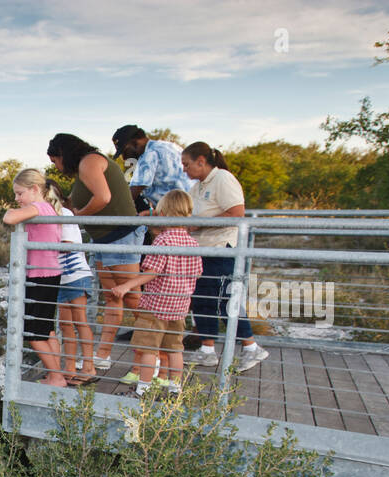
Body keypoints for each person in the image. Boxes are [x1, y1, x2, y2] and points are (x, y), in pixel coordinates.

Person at [46, 132, 141, 373]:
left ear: (63, 154)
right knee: (113, 298)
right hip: (106, 240)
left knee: (132, 298)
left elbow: (103, 197)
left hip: (120, 237)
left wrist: (78, 216)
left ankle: (156, 356)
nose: (57, 167)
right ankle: (102, 355)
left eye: (55, 161)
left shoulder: (89, 161)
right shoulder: (83, 169)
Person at [181, 141, 269, 373]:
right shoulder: (197, 186)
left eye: (187, 164)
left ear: (201, 161)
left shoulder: (223, 179)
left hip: (221, 248)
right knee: (202, 300)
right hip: (202, 250)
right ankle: (207, 350)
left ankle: (251, 347)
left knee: (225, 301)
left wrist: (199, 225)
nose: (184, 169)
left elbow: (236, 213)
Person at [104, 189, 201, 396]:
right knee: (175, 349)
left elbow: (151, 272)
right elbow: (198, 272)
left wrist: (127, 286)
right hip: (179, 307)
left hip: (155, 307)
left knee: (148, 349)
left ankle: (143, 390)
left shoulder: (163, 241)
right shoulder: (193, 243)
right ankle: (175, 389)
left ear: (165, 213)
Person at [2, 168, 66, 387]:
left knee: (33, 333)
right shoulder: (48, 208)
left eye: (20, 193)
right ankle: (55, 374)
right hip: (51, 274)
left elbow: (9, 218)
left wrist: (14, 209)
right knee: (47, 330)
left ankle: (57, 378)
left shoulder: (38, 207)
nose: (17, 198)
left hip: (40, 276)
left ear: (35, 189)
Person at [46, 180, 98, 384]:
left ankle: (89, 367)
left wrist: (41, 246)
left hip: (75, 274)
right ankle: (69, 367)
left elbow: (68, 244)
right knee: (65, 324)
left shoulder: (65, 214)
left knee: (80, 321)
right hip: (60, 277)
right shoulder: (47, 217)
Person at [111, 125, 196, 211]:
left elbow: (130, 195)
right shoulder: (169, 146)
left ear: (134, 143)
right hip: (193, 206)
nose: (124, 158)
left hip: (181, 213)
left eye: (125, 152)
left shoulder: (148, 155)